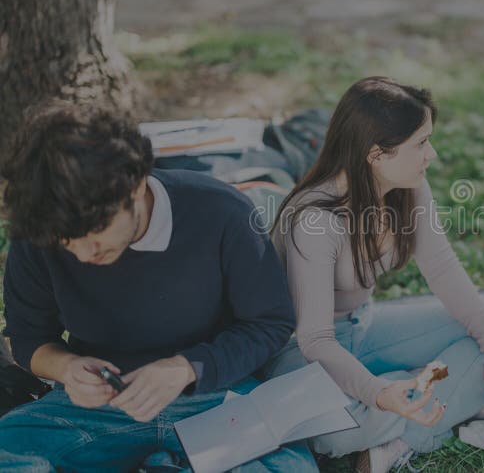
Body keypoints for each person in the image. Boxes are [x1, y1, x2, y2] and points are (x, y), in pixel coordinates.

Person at [0, 101, 317, 472]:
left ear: (135, 186)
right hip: (95, 411)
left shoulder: (221, 212)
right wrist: (68, 367)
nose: (84, 254)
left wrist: (185, 368)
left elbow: (271, 323)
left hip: (214, 399)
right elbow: (27, 338)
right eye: (67, 242)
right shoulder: (41, 229)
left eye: (95, 232)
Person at [263, 77, 484, 473]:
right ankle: (446, 397)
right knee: (332, 433)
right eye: (421, 143)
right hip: (303, 354)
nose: (432, 154)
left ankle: (401, 433)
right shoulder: (315, 220)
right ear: (376, 154)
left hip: (364, 328)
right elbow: (315, 339)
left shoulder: (407, 188)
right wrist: (379, 392)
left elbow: (441, 268)